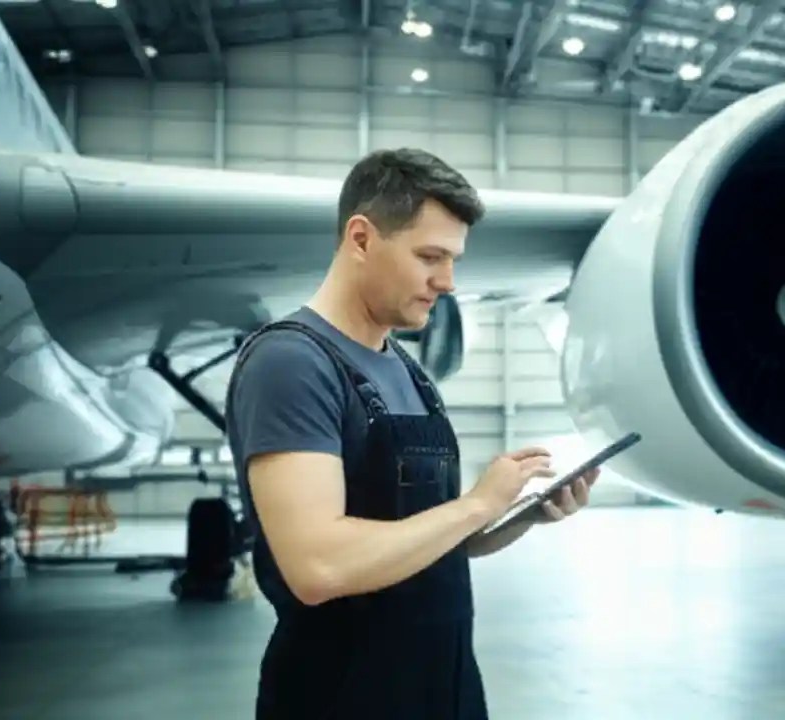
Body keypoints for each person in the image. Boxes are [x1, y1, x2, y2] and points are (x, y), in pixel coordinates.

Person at [225, 147, 600, 719]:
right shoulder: (292, 364)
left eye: (454, 259)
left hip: (441, 690)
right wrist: (475, 505)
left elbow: (435, 544)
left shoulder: (406, 369)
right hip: (341, 699)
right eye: (430, 256)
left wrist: (523, 511)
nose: (447, 282)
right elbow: (317, 566)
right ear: (360, 239)